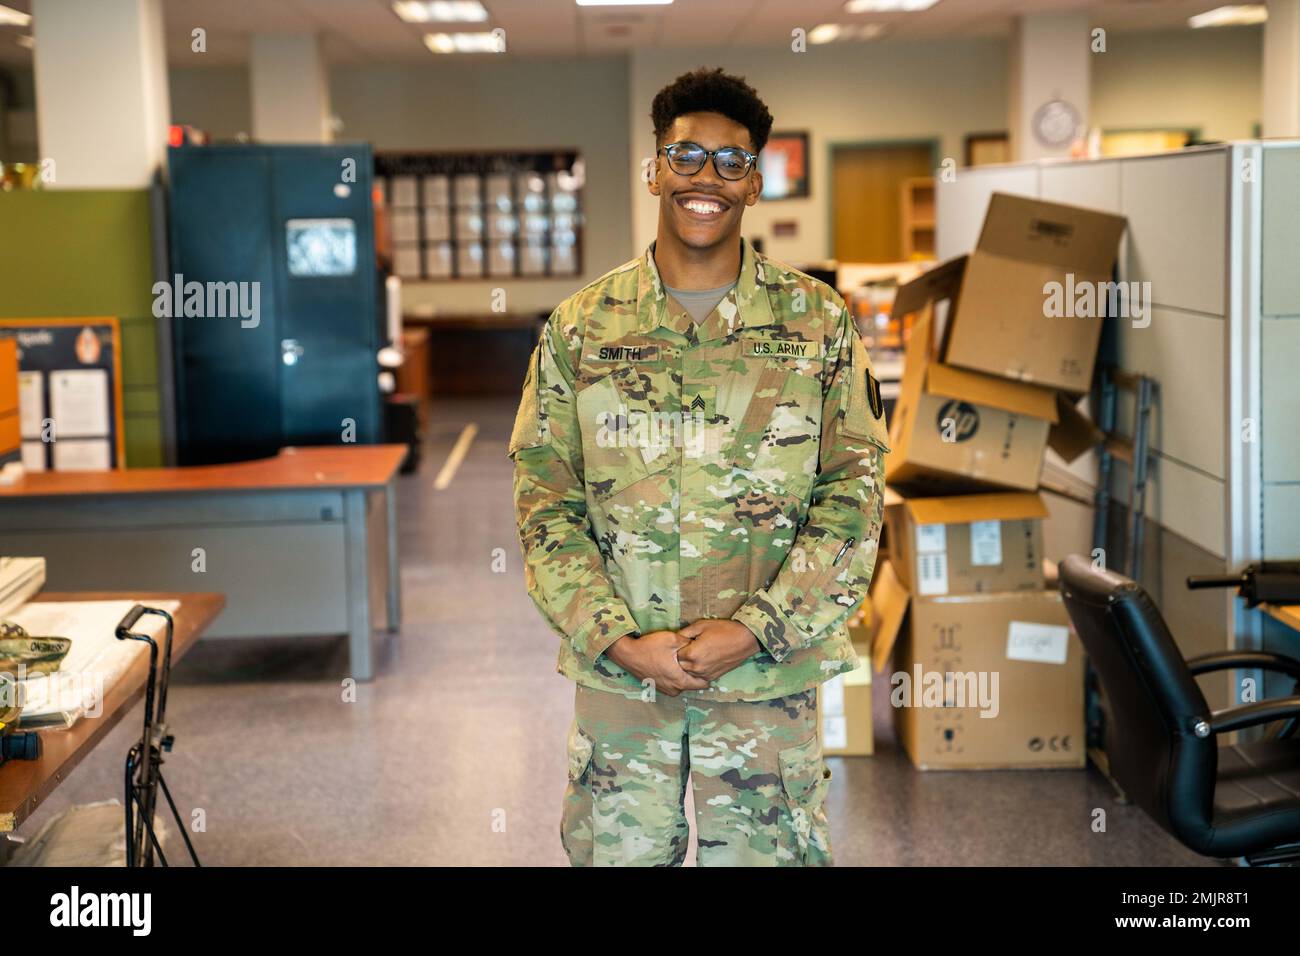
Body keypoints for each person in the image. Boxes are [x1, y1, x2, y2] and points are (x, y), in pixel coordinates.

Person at [509, 66, 889, 866]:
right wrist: (616, 639)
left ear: (755, 185)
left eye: (731, 162)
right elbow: (546, 505)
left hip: (765, 690)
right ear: (655, 170)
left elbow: (852, 503)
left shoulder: (817, 325)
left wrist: (755, 630)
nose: (705, 179)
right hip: (623, 691)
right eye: (685, 156)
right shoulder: (581, 330)